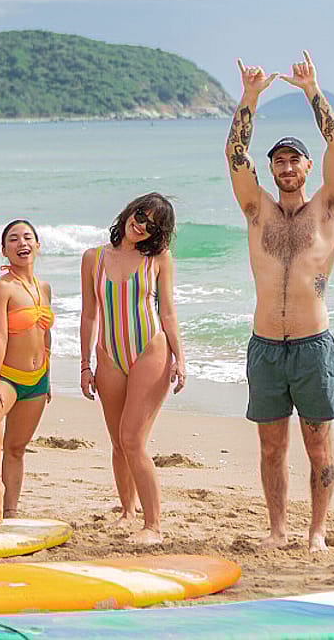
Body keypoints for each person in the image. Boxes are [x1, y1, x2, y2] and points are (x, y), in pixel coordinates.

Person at [224, 51, 334, 552]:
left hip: (313, 346)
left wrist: (311, 89)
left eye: (296, 158)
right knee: (271, 445)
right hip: (266, 347)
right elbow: (234, 154)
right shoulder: (257, 211)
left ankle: (317, 532)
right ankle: (278, 530)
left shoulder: (329, 208)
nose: (288, 166)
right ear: (272, 169)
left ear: (308, 166)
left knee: (319, 443)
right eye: (280, 160)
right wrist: (250, 98)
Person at [79, 193, 186, 545]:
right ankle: (128, 512)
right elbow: (89, 314)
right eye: (140, 215)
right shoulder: (93, 258)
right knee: (118, 442)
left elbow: (167, 311)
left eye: (152, 224)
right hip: (109, 354)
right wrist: (84, 365)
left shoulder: (158, 258)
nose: (141, 225)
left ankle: (153, 526)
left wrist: (180, 358)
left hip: (150, 352)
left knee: (133, 439)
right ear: (129, 211)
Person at [0, 220, 54, 523]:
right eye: (13, 239)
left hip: (38, 378)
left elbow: (46, 335)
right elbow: (0, 336)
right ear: (4, 250)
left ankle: (10, 512)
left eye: (27, 237)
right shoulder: (1, 288)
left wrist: (49, 378)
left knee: (17, 448)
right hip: (7, 375)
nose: (21, 243)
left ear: (37, 244)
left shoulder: (44, 287)